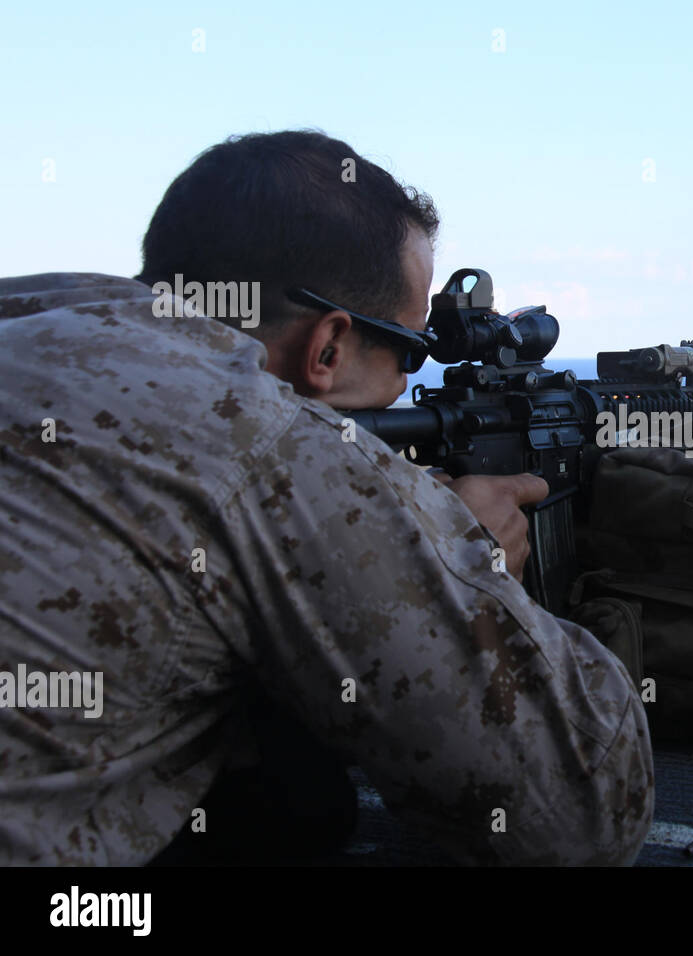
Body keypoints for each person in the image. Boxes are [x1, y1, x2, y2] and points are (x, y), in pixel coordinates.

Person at [0, 130, 654, 866]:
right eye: (411, 349)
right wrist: (464, 553)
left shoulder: (35, 315)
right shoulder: (265, 438)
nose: (413, 381)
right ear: (328, 348)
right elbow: (580, 816)